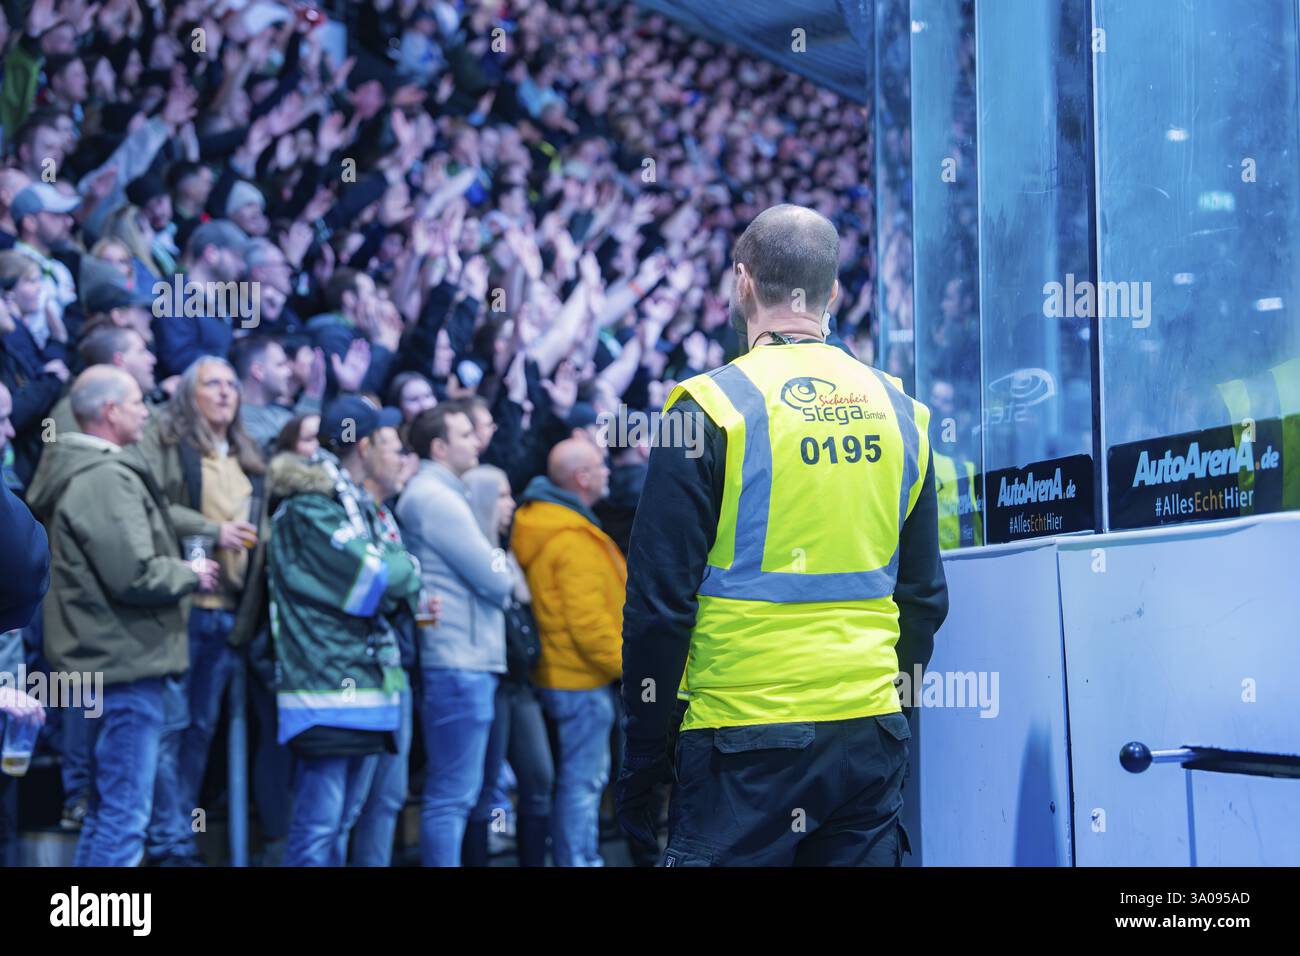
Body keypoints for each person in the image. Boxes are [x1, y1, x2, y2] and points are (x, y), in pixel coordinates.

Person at [616, 204, 949, 866]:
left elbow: (657, 607)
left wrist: (646, 757)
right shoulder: (902, 412)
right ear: (833, 293)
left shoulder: (706, 408)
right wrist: (894, 714)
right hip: (868, 730)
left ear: (743, 283)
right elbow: (924, 597)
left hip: (742, 739)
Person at [26, 366, 217, 867]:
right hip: (123, 665)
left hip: (103, 661)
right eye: (136, 402)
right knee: (124, 815)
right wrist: (188, 573)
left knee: (108, 813)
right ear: (110, 411)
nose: (146, 411)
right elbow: (134, 574)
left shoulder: (87, 471)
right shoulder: (104, 477)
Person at [267, 397, 421, 866]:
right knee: (318, 831)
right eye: (387, 443)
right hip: (324, 683)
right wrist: (401, 571)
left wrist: (400, 572)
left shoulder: (359, 506)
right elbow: (378, 578)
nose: (395, 454)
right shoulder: (309, 507)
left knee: (344, 824)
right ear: (367, 444)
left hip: (366, 681)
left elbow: (402, 577)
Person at [134, 356, 268, 866]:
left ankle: (176, 834)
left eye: (233, 383)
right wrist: (213, 532)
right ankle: (169, 842)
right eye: (213, 383)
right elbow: (151, 505)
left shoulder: (244, 451)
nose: (226, 392)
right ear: (189, 393)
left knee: (199, 733)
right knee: (170, 728)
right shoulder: (169, 443)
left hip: (231, 611)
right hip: (183, 606)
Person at [396, 403, 513, 866]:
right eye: (465, 434)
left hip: (464, 658)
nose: (476, 441)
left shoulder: (443, 492)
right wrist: (500, 560)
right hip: (458, 659)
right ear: (439, 447)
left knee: (460, 793)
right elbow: (497, 578)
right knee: (452, 795)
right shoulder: (435, 496)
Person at [512, 437, 625, 867]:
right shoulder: (570, 537)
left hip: (562, 676)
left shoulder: (549, 524)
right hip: (581, 681)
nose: (608, 472)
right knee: (583, 783)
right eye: (601, 465)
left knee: (577, 781)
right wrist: (628, 667)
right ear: (582, 477)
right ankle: (579, 861)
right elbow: (588, 626)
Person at [462, 464, 554, 867]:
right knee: (481, 790)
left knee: (539, 779)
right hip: (491, 680)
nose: (510, 504)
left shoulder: (506, 551)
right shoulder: (472, 556)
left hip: (521, 684)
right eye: (500, 495)